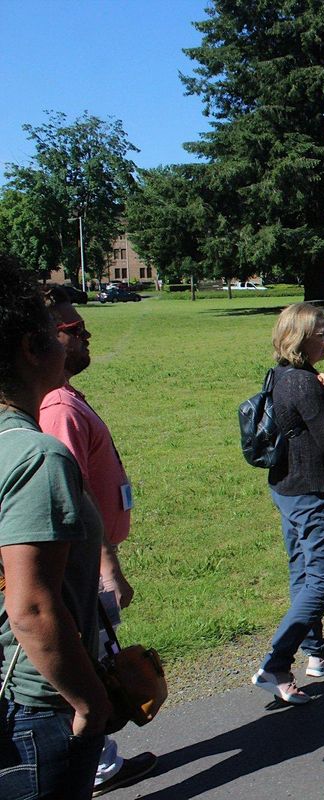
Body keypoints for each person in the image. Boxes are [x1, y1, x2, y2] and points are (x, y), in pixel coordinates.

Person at [0, 255, 112, 798]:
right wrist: (90, 703)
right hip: (41, 706)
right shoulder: (36, 457)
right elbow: (34, 609)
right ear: (29, 347)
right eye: (54, 331)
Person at [40, 287, 157, 795]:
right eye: (74, 330)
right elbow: (76, 498)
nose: (86, 335)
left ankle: (97, 759)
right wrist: (107, 568)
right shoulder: (60, 408)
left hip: (88, 559)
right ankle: (93, 764)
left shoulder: (69, 398)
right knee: (91, 661)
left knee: (92, 656)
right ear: (43, 340)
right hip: (83, 564)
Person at [251, 303, 324, 705]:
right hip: (313, 492)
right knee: (323, 579)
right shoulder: (306, 384)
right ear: (301, 338)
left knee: (303, 572)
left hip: (287, 488)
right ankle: (276, 663)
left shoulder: (280, 376)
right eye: (322, 333)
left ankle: (315, 651)